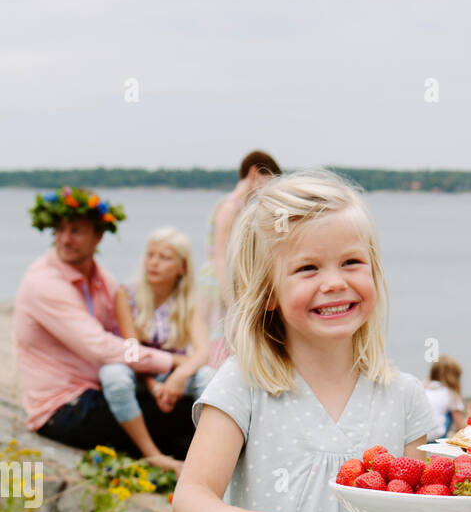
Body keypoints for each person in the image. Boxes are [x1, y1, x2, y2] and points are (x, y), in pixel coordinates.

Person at [172, 169, 435, 512]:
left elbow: (422, 509)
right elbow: (192, 495)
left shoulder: (404, 396)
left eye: (351, 263)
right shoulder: (244, 385)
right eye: (308, 268)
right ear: (267, 293)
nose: (334, 282)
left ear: (375, 274)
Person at [14, 186, 189, 466]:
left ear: (98, 236)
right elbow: (100, 347)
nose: (65, 239)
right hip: (63, 406)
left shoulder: (101, 278)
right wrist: (172, 361)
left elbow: (121, 335)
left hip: (98, 390)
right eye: (59, 230)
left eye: (76, 231)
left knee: (184, 408)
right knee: (183, 414)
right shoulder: (43, 283)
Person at [98, 228, 214, 451]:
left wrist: (179, 376)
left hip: (172, 373)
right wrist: (153, 387)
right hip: (138, 372)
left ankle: (205, 449)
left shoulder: (189, 301)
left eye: (164, 258)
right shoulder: (127, 294)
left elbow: (202, 352)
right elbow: (132, 352)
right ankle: (148, 449)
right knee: (113, 374)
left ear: (182, 268)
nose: (154, 263)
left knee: (209, 376)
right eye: (151, 255)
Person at [199, 150, 282, 368]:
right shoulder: (230, 207)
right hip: (218, 282)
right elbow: (220, 255)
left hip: (227, 279)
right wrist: (231, 299)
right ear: (254, 173)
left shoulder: (239, 206)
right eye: (267, 181)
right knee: (220, 341)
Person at [423, 355, 465, 441]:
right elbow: (461, 427)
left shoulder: (422, 387)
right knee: (450, 414)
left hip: (416, 437)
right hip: (434, 438)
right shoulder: (451, 393)